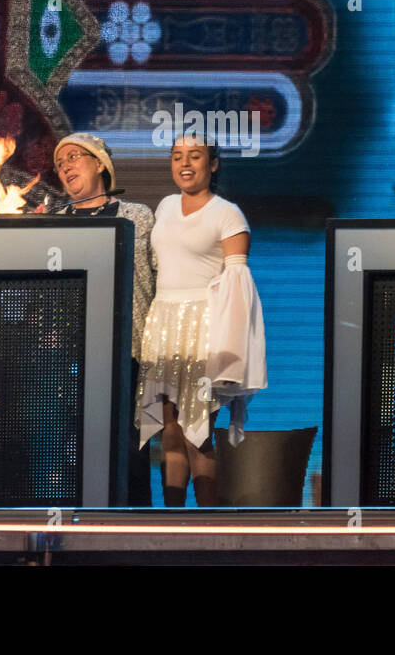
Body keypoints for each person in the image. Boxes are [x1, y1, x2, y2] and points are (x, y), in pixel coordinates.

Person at [136, 133, 266, 507]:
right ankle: (172, 520)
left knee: (199, 433)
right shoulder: (163, 207)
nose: (185, 163)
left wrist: (231, 349)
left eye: (195, 156)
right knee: (171, 433)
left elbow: (238, 286)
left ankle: (209, 523)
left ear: (213, 164)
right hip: (163, 325)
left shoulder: (227, 214)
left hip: (203, 326)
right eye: (177, 156)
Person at [52, 132, 155, 506]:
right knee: (72, 448)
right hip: (70, 355)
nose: (65, 166)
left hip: (127, 350)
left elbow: (155, 279)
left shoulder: (138, 216)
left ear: (100, 163)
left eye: (74, 157)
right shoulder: (54, 222)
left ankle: (138, 536)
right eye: (60, 163)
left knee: (132, 450)